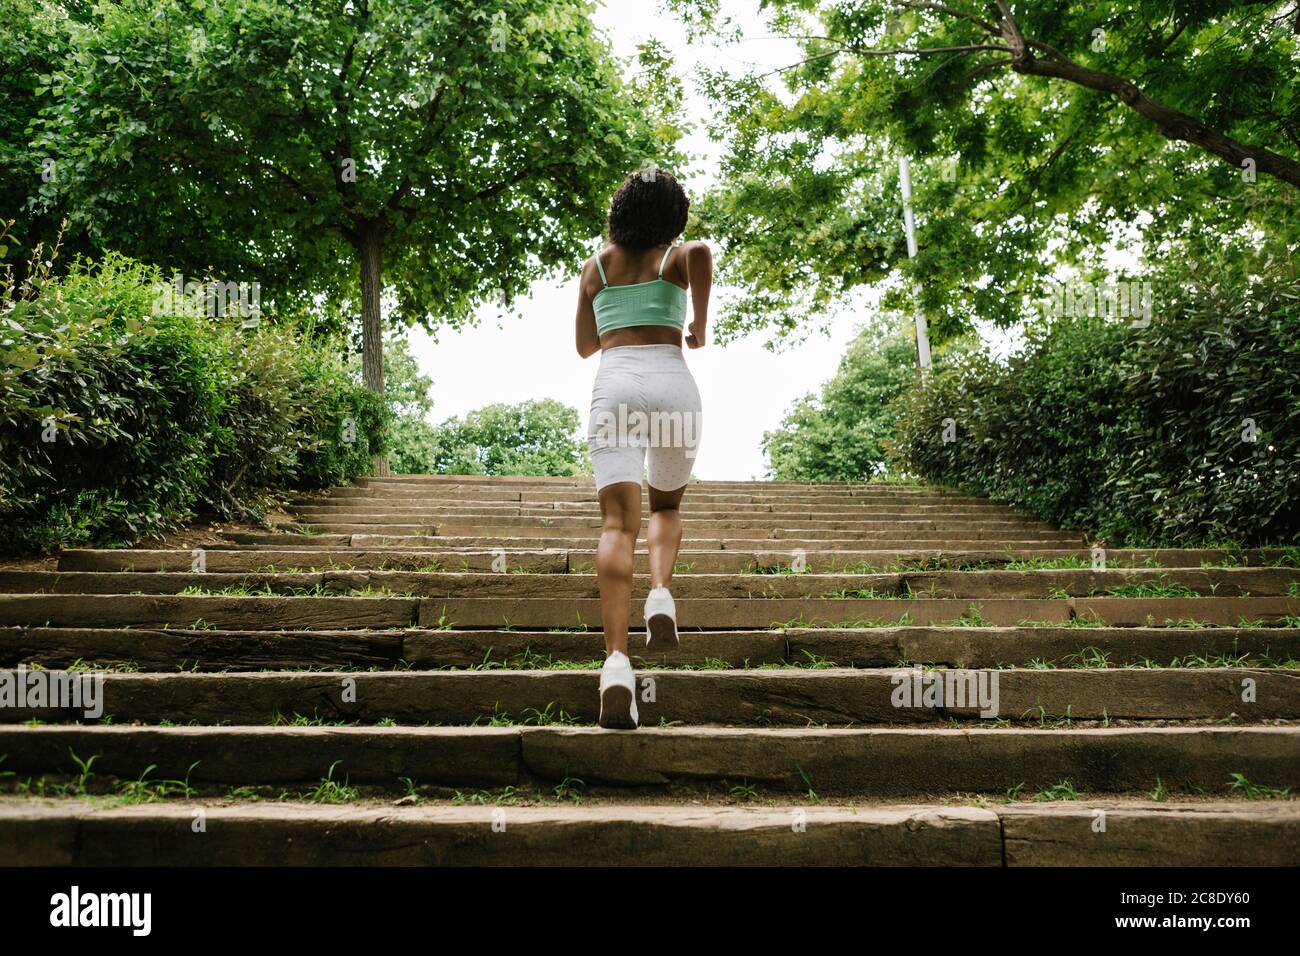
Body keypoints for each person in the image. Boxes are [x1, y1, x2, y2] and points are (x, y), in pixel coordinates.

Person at [574, 169, 712, 729]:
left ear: (621, 211)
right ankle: (659, 594)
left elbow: (584, 347)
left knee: (616, 527)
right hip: (673, 386)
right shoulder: (676, 258)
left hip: (616, 386)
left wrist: (610, 314)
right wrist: (698, 321)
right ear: (671, 216)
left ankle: (615, 665)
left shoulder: (597, 267)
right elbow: (701, 250)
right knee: (667, 506)